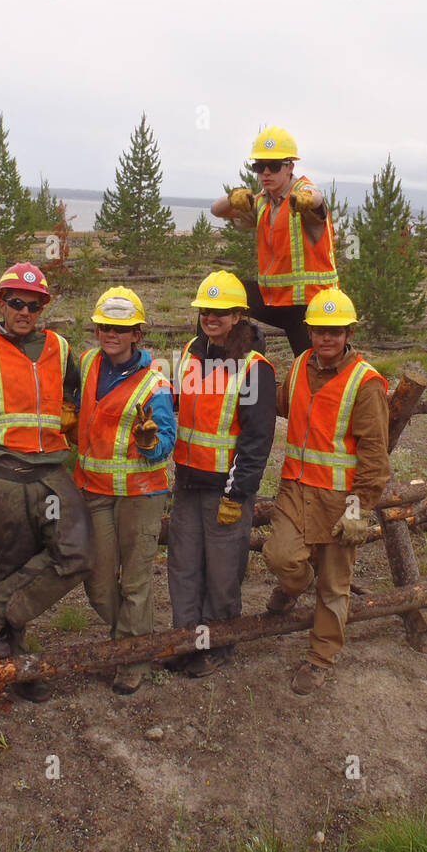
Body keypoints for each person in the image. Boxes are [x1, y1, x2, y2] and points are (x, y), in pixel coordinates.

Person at [0, 262, 92, 703]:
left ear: (43, 306)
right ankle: (14, 659)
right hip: (4, 472)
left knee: (77, 553)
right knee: (14, 560)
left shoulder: (61, 347)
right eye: (16, 302)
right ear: (0, 302)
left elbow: (73, 394)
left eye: (33, 304)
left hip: (50, 469)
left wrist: (69, 408)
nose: (24, 311)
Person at [262, 289, 390, 695]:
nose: (325, 339)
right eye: (319, 331)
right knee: (280, 556)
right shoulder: (300, 364)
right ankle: (294, 585)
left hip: (339, 500)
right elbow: (281, 404)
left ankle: (320, 657)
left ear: (348, 332)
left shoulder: (365, 383)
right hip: (296, 488)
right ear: (310, 332)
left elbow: (374, 452)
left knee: (335, 586)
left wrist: (360, 507)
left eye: (334, 332)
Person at [167, 271, 276, 677]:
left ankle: (218, 645)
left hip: (225, 491)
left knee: (224, 569)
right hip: (188, 483)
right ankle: (183, 641)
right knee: (183, 566)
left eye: (220, 312)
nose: (211, 317)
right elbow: (177, 403)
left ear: (238, 316)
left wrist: (238, 492)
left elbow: (257, 438)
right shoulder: (192, 352)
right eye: (205, 310)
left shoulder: (254, 367)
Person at [74, 287, 176, 695]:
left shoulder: (155, 382)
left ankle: (132, 660)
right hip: (95, 492)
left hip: (141, 494)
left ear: (137, 333)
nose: (110, 334)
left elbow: (165, 440)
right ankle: (133, 641)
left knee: (135, 581)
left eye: (120, 328)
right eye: (104, 326)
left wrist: (152, 444)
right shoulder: (85, 365)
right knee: (98, 581)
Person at [210, 125, 336, 356]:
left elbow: (317, 200)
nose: (265, 172)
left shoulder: (303, 194)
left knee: (310, 369)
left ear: (290, 167)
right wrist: (232, 198)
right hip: (274, 299)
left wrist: (309, 199)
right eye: (259, 166)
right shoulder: (262, 201)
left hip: (307, 305)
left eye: (274, 166)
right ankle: (219, 369)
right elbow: (215, 210)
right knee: (217, 299)